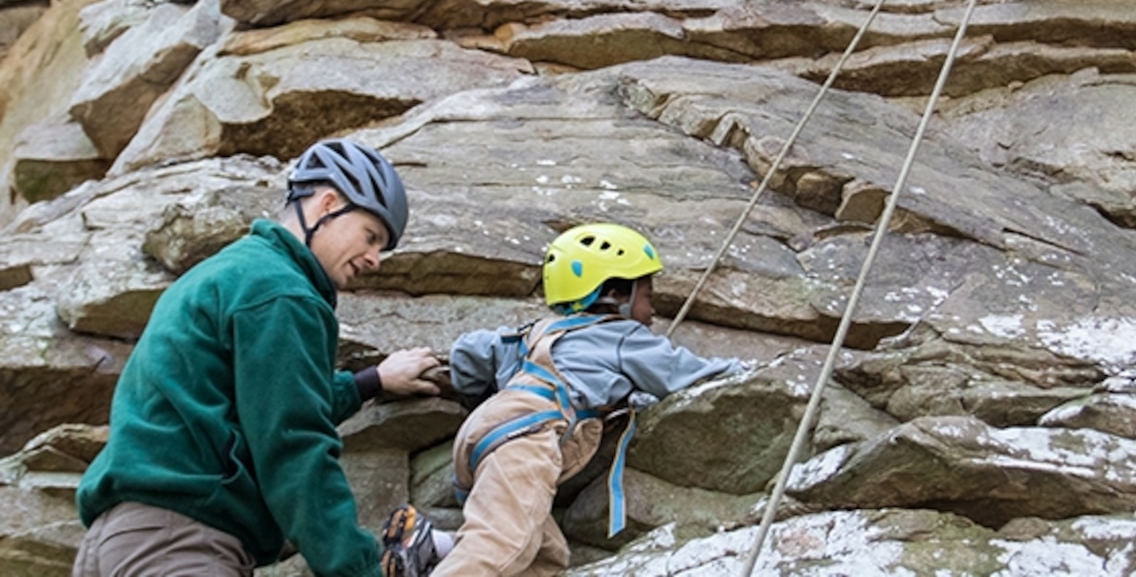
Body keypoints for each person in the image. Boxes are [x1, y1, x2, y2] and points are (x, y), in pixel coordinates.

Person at [73, 138, 443, 577]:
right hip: (181, 546)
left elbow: (264, 400)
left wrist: (371, 382)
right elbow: (294, 444)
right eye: (371, 236)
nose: (374, 259)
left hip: (113, 543)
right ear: (328, 205)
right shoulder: (282, 294)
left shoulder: (230, 272)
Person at [383, 222, 746, 577]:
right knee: (506, 547)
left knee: (545, 558)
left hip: (482, 435)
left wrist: (471, 393)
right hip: (527, 438)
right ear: (617, 294)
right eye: (648, 296)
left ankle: (434, 547)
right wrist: (760, 368)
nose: (653, 313)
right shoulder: (623, 335)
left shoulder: (536, 332)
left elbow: (469, 352)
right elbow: (685, 372)